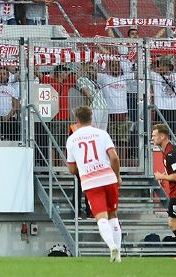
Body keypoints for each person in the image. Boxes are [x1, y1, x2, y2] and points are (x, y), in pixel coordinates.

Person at [65, 105, 124, 261]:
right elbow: (114, 157)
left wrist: (84, 168)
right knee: (113, 216)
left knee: (101, 218)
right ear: (91, 118)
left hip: (91, 182)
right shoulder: (102, 134)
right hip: (109, 177)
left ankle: (112, 247)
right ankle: (119, 255)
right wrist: (117, 176)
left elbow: (71, 169)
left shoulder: (72, 139)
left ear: (76, 120)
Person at [151, 123, 176, 243]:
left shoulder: (171, 153)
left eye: (154, 136)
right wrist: (165, 176)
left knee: (173, 223)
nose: (152, 138)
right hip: (175, 192)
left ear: (162, 136)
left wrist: (162, 176)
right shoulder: (167, 150)